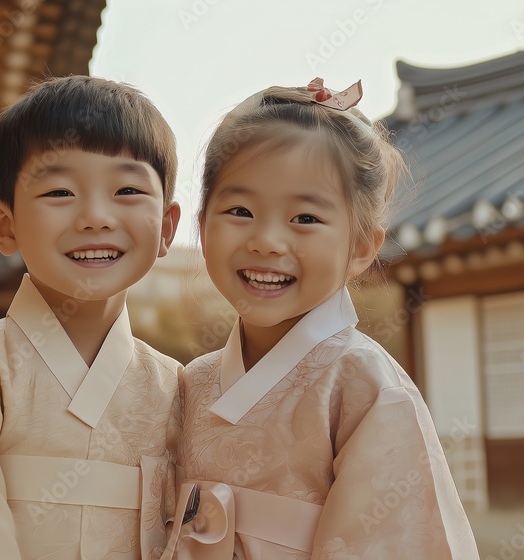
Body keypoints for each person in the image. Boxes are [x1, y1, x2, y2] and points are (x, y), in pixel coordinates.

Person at [162, 79, 479, 559]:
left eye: (305, 218)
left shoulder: (364, 385)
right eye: (241, 210)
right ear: (203, 227)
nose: (267, 241)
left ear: (359, 246)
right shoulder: (192, 382)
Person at [0, 75, 182, 560]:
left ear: (167, 227)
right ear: (5, 226)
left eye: (127, 189)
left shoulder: (177, 388)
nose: (95, 217)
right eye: (59, 192)